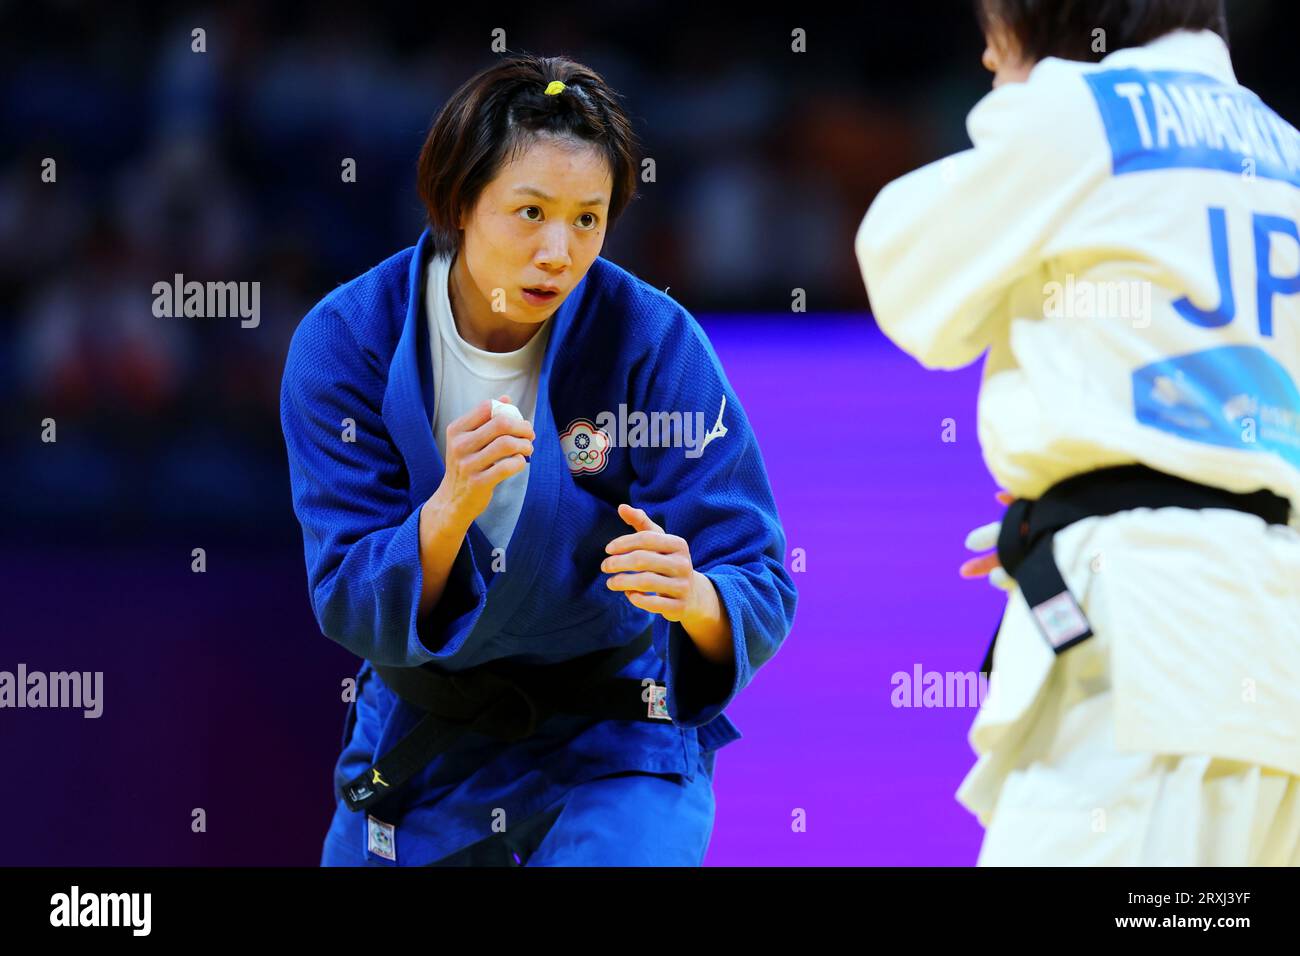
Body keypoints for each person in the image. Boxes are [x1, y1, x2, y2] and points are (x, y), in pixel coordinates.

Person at [280, 53, 797, 866]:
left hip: (617, 737)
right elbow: (346, 595)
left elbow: (757, 573)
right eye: (530, 212)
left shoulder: (653, 343)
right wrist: (447, 510)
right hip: (428, 740)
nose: (559, 250)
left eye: (588, 219)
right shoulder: (347, 343)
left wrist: (696, 596)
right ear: (458, 202)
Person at [856, 0, 1300, 865]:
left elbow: (903, 275)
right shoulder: (1288, 154)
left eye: (993, 27)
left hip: (1151, 659)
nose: (987, 55)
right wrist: (1088, 500)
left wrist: (1031, 93)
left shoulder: (1077, 111)